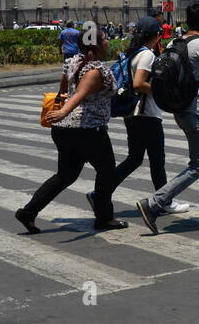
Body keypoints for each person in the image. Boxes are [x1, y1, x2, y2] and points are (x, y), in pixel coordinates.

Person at [15, 22, 128, 234]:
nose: (108, 41)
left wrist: (63, 111)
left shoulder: (72, 61)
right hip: (87, 129)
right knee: (107, 172)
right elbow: (79, 94)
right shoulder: (95, 70)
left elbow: (64, 89)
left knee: (66, 175)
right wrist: (65, 111)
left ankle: (28, 213)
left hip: (64, 130)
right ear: (94, 47)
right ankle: (105, 218)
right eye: (104, 39)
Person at [136, 0, 199, 232]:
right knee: (198, 166)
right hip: (195, 112)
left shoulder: (175, 42)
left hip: (179, 108)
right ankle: (154, 203)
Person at [102, 17, 190, 213]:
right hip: (146, 114)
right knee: (157, 160)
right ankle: (164, 201)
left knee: (134, 159)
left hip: (132, 113)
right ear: (157, 35)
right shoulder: (147, 55)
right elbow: (139, 83)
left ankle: (100, 192)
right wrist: (163, 91)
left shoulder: (132, 53)